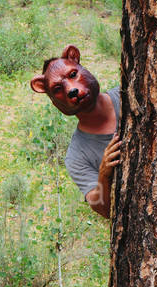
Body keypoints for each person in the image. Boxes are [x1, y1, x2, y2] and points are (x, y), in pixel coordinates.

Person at [30, 45, 121, 218]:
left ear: (77, 61)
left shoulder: (128, 94)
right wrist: (103, 174)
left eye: (73, 75)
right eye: (57, 89)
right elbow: (104, 210)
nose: (71, 88)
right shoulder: (77, 156)